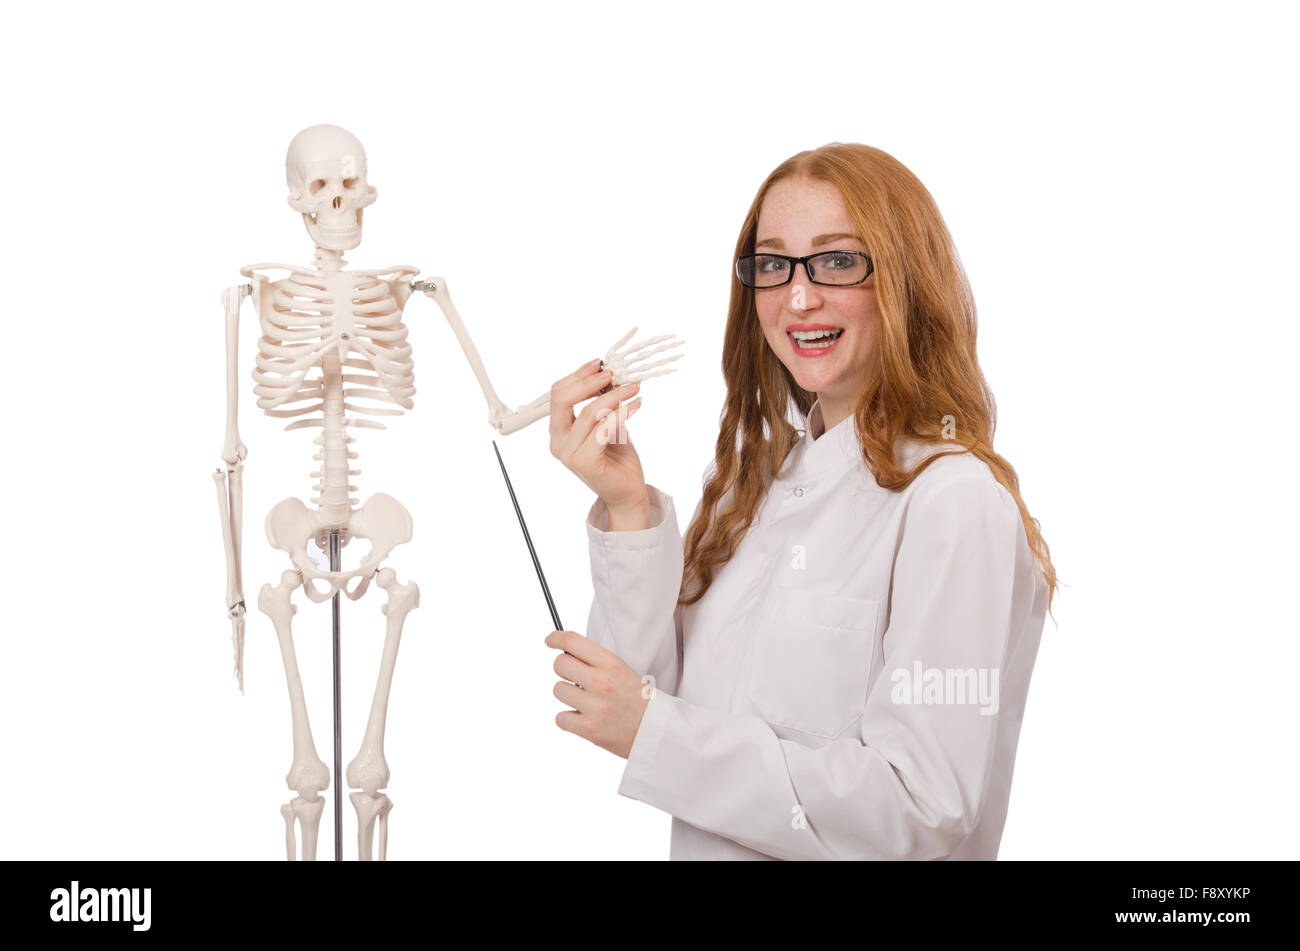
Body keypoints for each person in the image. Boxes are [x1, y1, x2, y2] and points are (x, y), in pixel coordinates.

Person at [544, 142, 1057, 860]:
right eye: (773, 264)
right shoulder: (758, 488)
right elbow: (635, 694)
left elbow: (923, 806)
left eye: (838, 260)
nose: (799, 296)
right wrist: (626, 504)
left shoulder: (953, 501)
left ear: (905, 279)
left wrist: (653, 729)